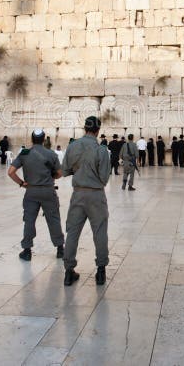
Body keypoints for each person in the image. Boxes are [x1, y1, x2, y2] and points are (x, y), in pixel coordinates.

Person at [61, 116, 111, 287]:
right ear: (98, 130)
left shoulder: (72, 146)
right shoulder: (101, 150)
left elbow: (65, 170)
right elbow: (104, 178)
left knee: (72, 233)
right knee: (100, 232)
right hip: (96, 195)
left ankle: (68, 272)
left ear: (84, 128)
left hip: (78, 194)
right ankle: (101, 272)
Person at [8, 129, 64, 261]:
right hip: (48, 191)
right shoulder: (51, 154)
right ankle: (60, 249)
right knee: (54, 219)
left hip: (31, 191)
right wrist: (51, 177)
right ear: (44, 139)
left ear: (32, 139)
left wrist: (22, 183)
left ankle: (27, 250)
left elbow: (11, 172)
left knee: (29, 220)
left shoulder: (25, 153)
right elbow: (60, 173)